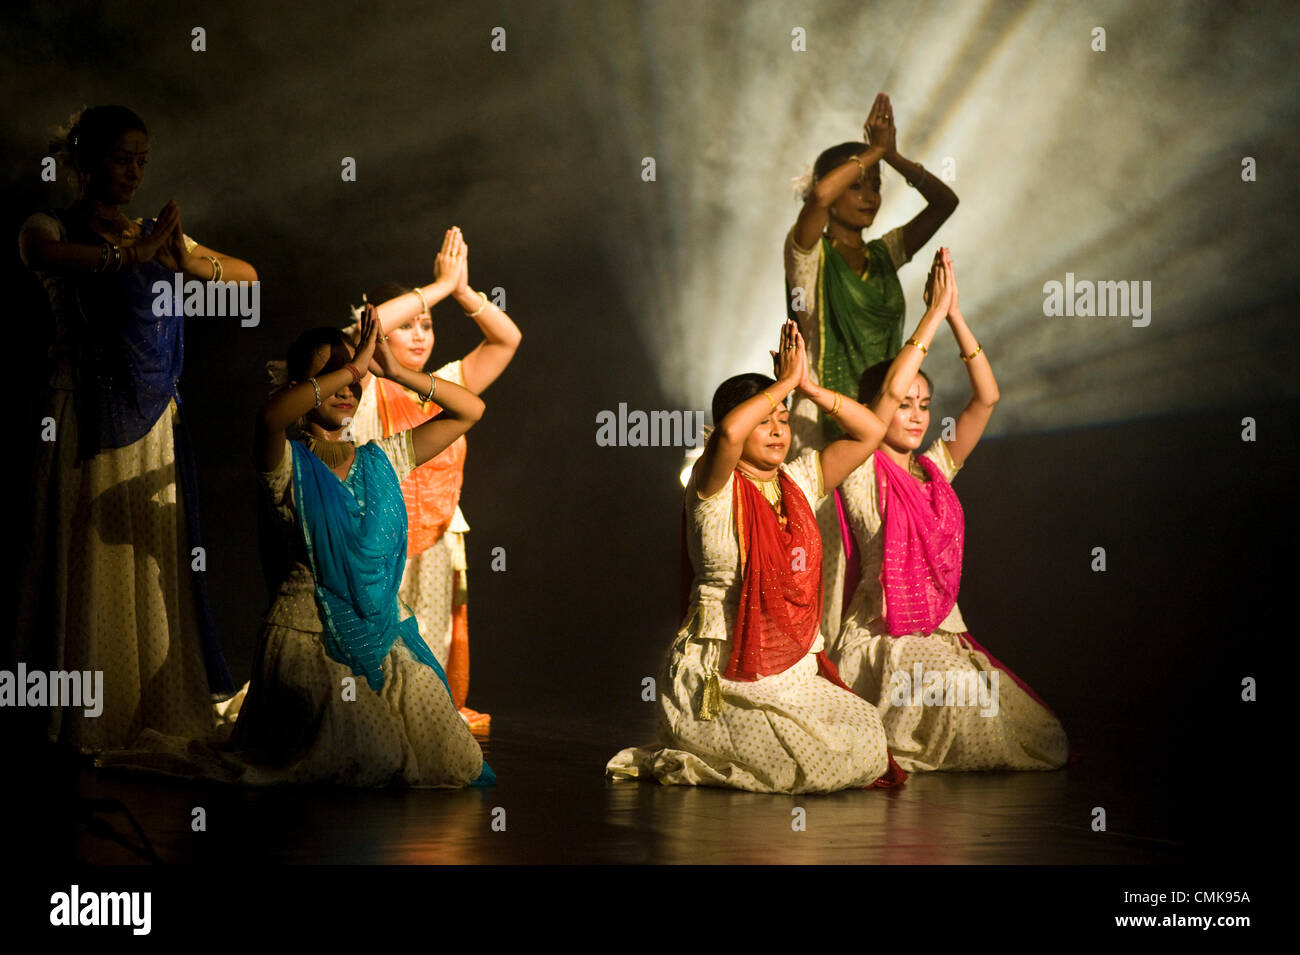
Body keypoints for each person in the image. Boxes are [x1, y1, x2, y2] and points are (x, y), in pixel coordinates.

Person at [99, 308, 492, 787]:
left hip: (381, 637)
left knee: (449, 758)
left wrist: (394, 371)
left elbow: (471, 410)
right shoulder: (285, 462)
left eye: (354, 377)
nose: (348, 387)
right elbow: (270, 417)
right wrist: (350, 367)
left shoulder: (382, 458)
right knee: (371, 751)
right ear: (302, 387)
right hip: (306, 640)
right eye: (330, 377)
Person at [608, 263, 953, 793]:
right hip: (720, 667)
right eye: (765, 419)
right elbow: (727, 431)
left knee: (865, 734)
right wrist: (784, 383)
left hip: (789, 665)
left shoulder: (798, 478)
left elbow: (870, 430)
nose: (776, 428)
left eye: (783, 419)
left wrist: (809, 389)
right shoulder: (711, 484)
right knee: (798, 761)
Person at [14, 105, 256, 751]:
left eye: (143, 159)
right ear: (86, 162)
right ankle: (84, 715)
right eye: (122, 158)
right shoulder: (51, 224)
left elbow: (248, 279)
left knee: (150, 561)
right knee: (83, 555)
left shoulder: (153, 231)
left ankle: (148, 708)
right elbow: (46, 255)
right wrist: (130, 258)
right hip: (82, 414)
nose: (134, 171)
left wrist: (181, 258)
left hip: (153, 419)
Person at [828, 249, 1069, 772]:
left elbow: (986, 398)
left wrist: (956, 313)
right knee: (965, 713)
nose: (915, 415)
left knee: (1034, 731)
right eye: (904, 404)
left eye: (924, 404)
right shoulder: (860, 466)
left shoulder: (935, 468)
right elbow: (890, 388)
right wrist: (931, 315)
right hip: (884, 633)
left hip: (941, 631)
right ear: (877, 409)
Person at [345, 227, 521, 730]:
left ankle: (422, 712)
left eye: (428, 325)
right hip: (376, 531)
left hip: (438, 532)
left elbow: (507, 339)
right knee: (378, 630)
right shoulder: (363, 381)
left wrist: (464, 292)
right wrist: (438, 287)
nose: (420, 334)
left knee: (430, 633)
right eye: (409, 326)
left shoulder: (445, 383)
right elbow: (372, 321)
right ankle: (373, 714)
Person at [786, 92, 959, 452]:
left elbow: (946, 203)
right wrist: (874, 153)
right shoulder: (807, 254)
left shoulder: (885, 253)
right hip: (822, 415)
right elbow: (818, 198)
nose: (870, 196)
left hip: (886, 411)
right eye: (856, 185)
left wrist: (891, 155)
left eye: (876, 186)